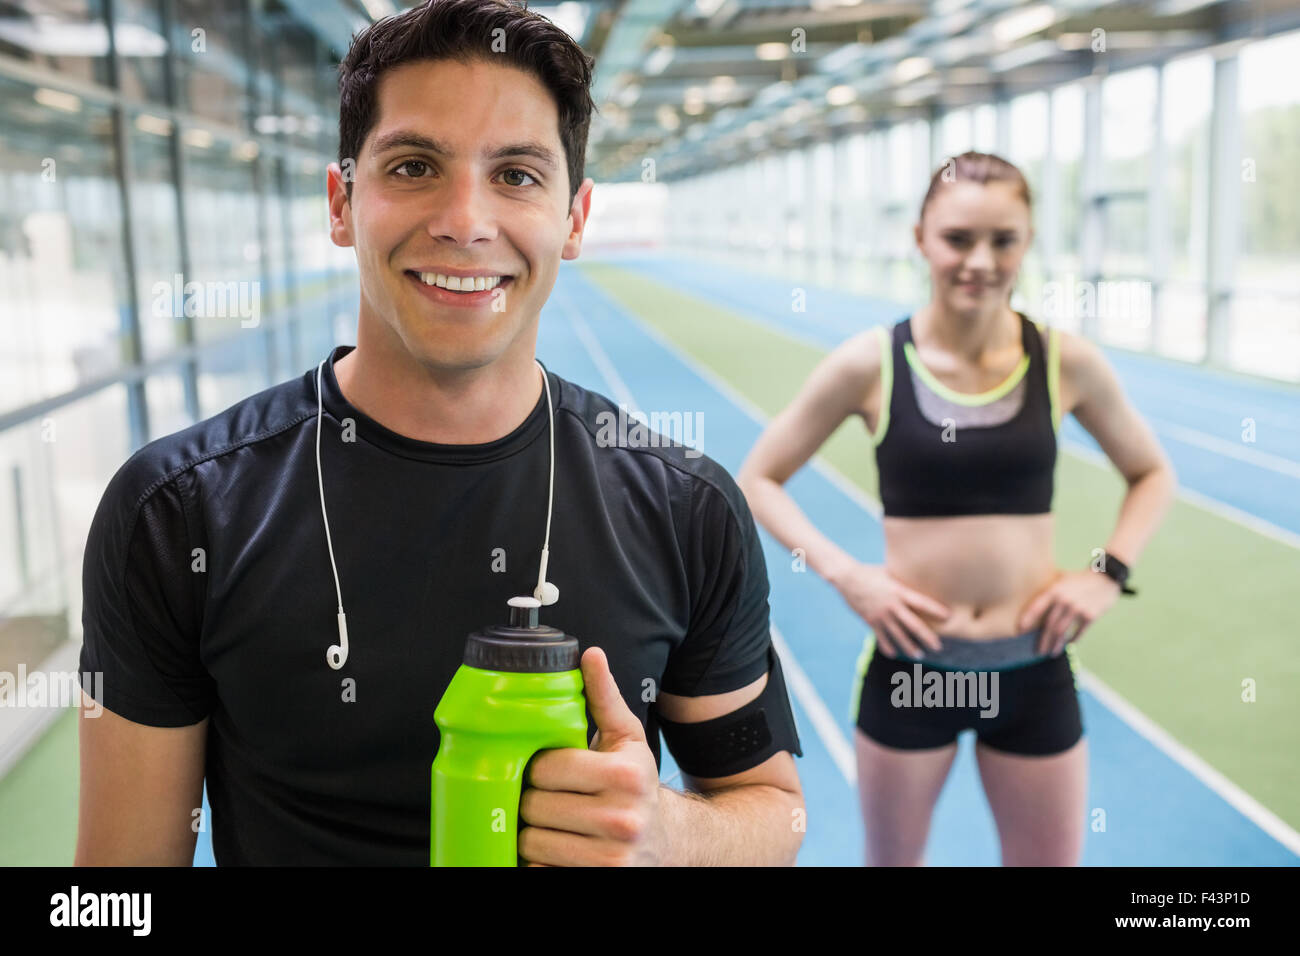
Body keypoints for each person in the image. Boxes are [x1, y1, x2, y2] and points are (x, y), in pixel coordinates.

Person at [75, 0, 802, 867]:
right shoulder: (179, 510)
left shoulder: (688, 508)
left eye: (519, 175)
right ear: (343, 202)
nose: (465, 220)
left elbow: (775, 815)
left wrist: (674, 833)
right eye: (415, 165)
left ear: (575, 219)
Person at [737, 151, 1175, 866]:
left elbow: (1151, 472)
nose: (980, 261)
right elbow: (760, 476)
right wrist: (851, 576)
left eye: (1003, 240)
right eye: (958, 239)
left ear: (1027, 242)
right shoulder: (870, 363)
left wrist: (1105, 573)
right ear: (920, 239)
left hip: (1033, 669)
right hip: (913, 673)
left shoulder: (1066, 362)